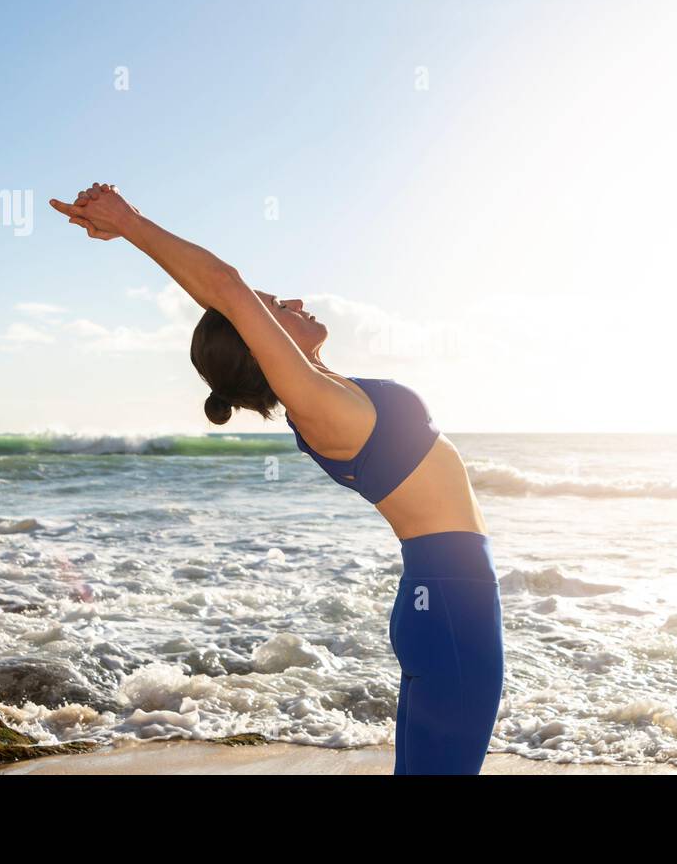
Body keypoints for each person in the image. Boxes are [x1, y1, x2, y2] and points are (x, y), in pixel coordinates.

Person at [49, 184, 505, 774]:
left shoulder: (327, 390)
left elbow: (227, 301)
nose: (292, 303)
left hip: (442, 595)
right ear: (263, 343)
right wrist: (130, 223)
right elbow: (227, 289)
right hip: (449, 600)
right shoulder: (316, 404)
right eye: (274, 311)